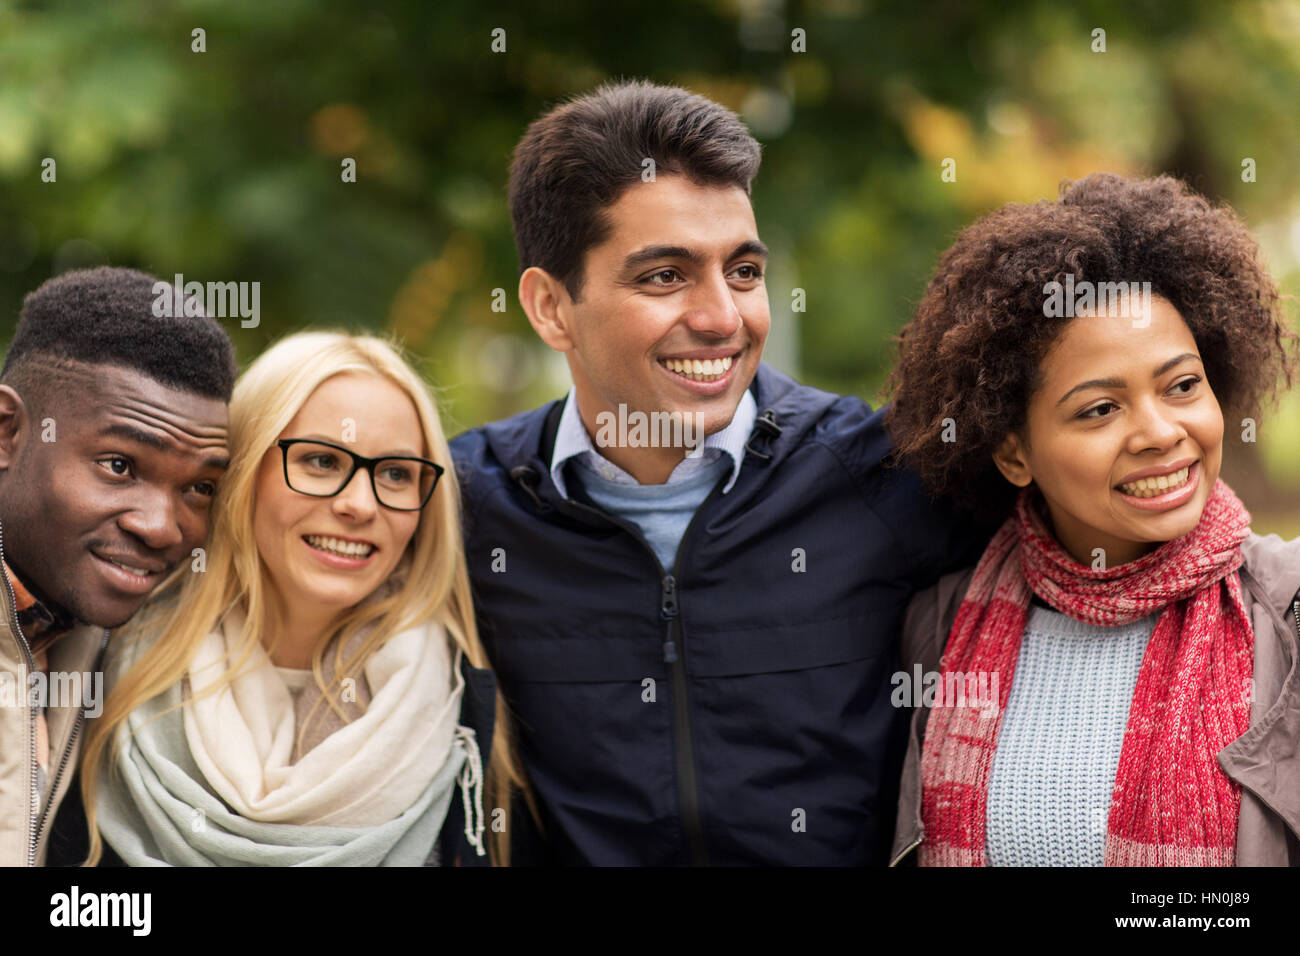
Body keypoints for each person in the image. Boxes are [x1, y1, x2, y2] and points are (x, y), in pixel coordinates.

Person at [449, 79, 990, 865]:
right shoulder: (465, 506)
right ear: (549, 308)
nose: (721, 318)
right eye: (665, 276)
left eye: (742, 271)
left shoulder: (883, 472)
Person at [885, 172, 1300, 867]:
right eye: (1100, 409)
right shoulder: (941, 624)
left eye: (1182, 386)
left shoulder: (1286, 610)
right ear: (1014, 452)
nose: (1161, 432)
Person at [79, 331, 524, 866]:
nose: (359, 504)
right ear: (243, 472)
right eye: (320, 462)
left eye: (396, 473)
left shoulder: (466, 714)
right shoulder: (96, 664)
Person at [0, 266, 233, 867]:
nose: (162, 526)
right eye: (119, 466)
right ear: (7, 433)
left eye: (200, 488)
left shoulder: (94, 638)